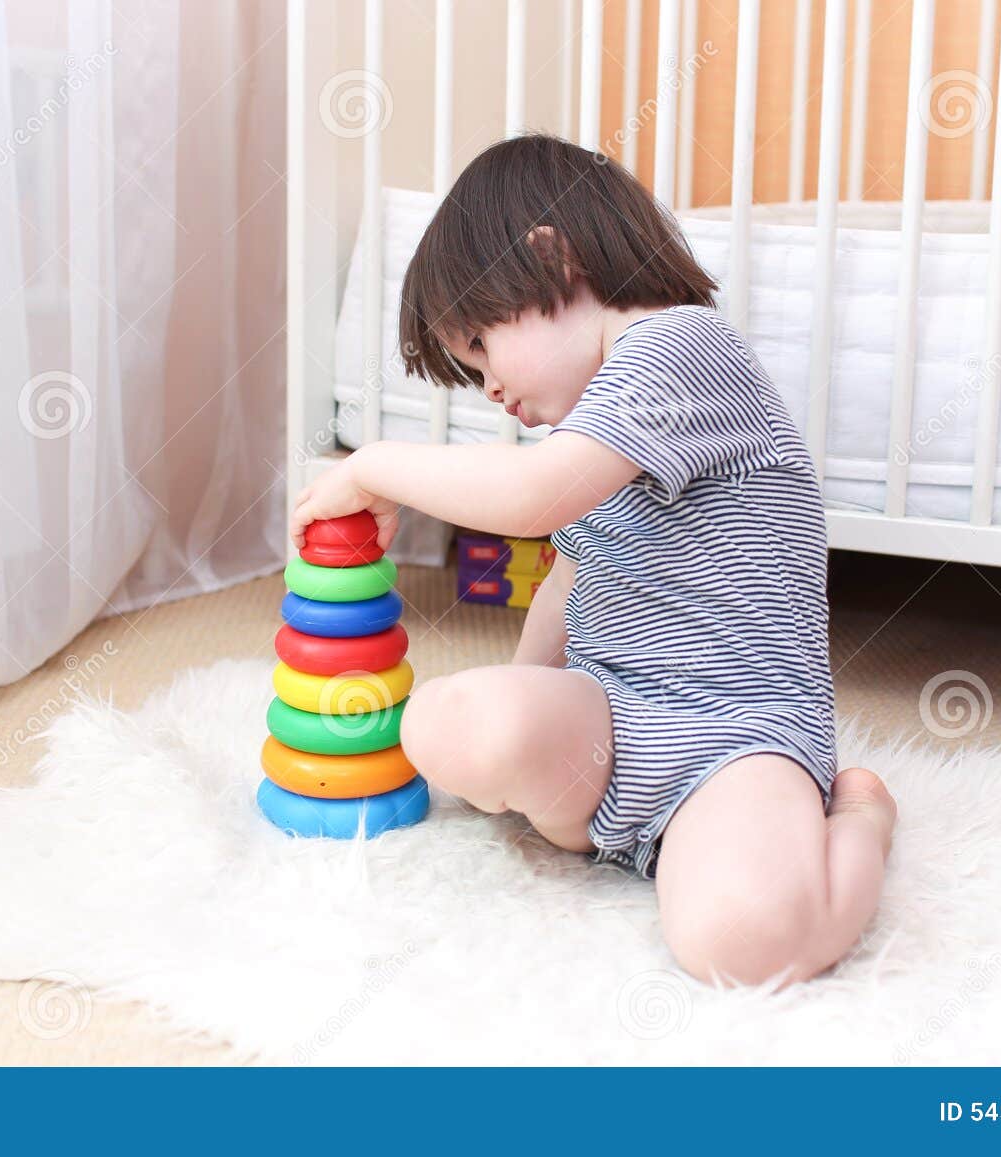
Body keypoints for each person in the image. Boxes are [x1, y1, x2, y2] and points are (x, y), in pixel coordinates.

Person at [289, 134, 895, 987]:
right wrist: (523, 703)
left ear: (553, 258)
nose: (489, 390)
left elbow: (534, 498)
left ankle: (859, 822)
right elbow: (571, 582)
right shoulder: (598, 434)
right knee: (445, 723)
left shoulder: (682, 348)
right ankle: (621, 827)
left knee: (744, 946)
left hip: (730, 735)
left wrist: (374, 462)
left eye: (481, 346)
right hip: (613, 727)